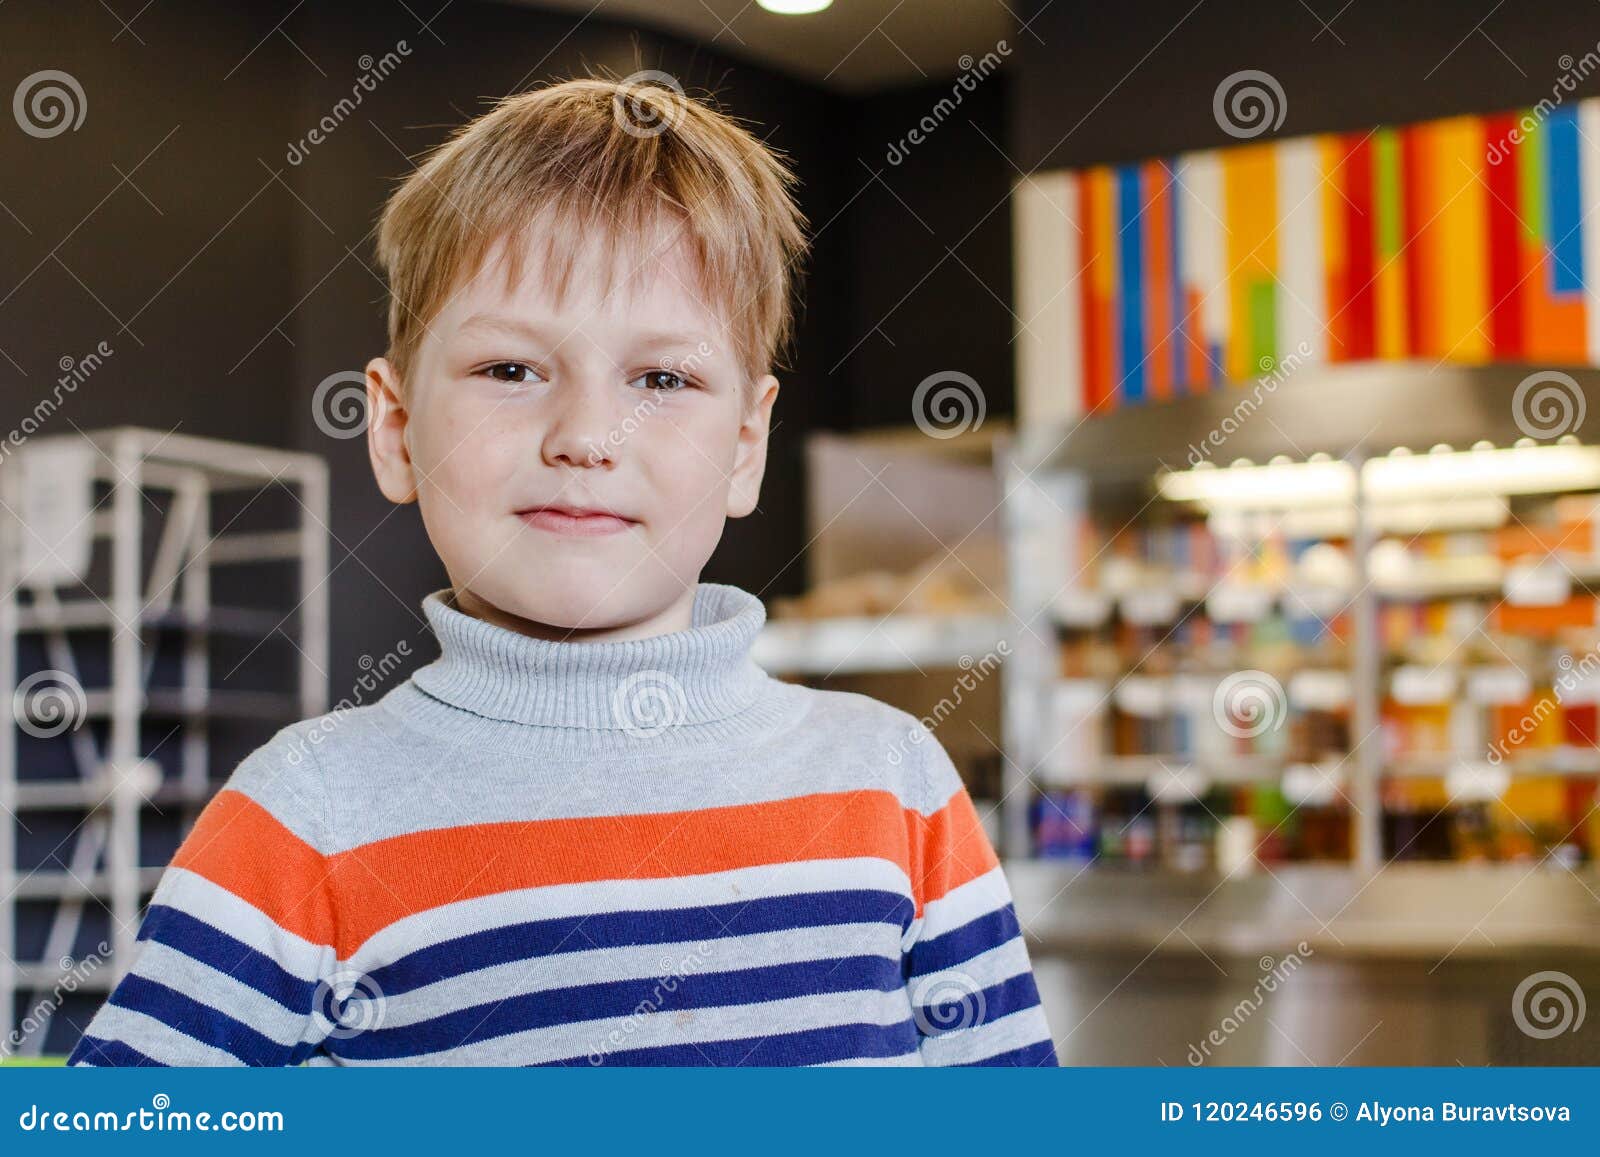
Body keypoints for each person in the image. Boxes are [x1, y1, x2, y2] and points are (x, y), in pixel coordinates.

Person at [68, 75, 1057, 1067]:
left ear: (746, 443)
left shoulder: (896, 790)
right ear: (397, 426)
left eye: (661, 379)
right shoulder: (299, 820)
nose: (588, 435)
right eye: (511, 370)